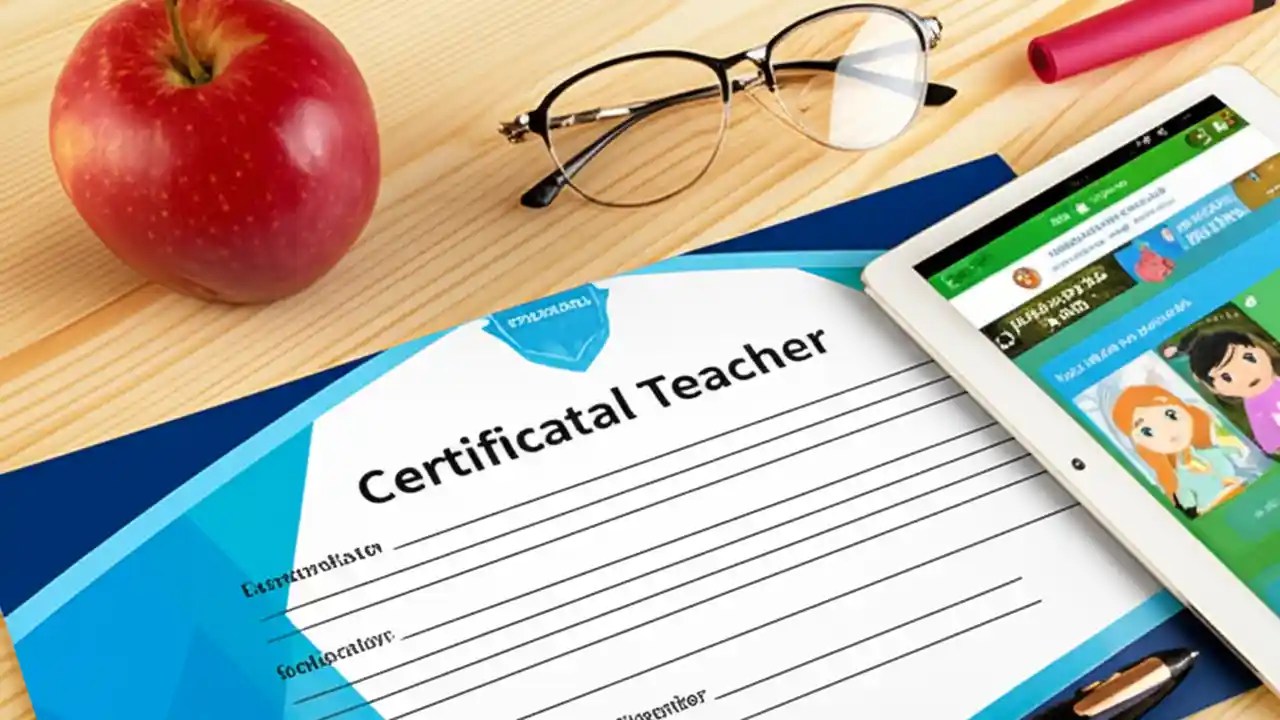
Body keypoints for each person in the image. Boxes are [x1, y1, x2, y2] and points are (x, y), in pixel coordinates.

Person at [1111, 385, 1247, 516]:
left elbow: (1239, 454)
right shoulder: (1178, 482)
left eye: (1170, 414)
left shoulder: (1211, 450)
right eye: (1147, 431)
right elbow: (1189, 505)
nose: (1167, 430)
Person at [1185, 330, 1280, 454]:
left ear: (1261, 350)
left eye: (1249, 358)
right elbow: (1272, 440)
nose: (1248, 374)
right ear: (1214, 388)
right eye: (1226, 377)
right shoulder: (1256, 408)